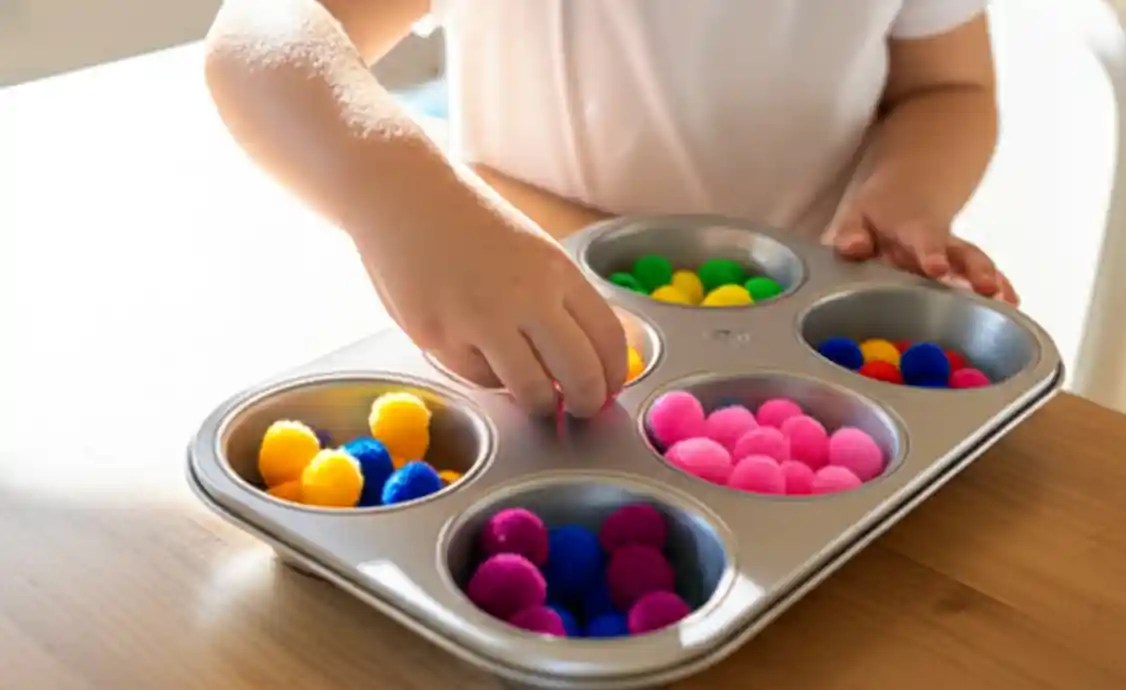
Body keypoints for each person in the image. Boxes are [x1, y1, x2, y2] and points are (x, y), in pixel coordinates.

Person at [204, 0, 1017, 419]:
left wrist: (901, 199)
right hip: (530, 317)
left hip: (787, 340)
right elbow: (258, 42)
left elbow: (948, 88)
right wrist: (404, 199)